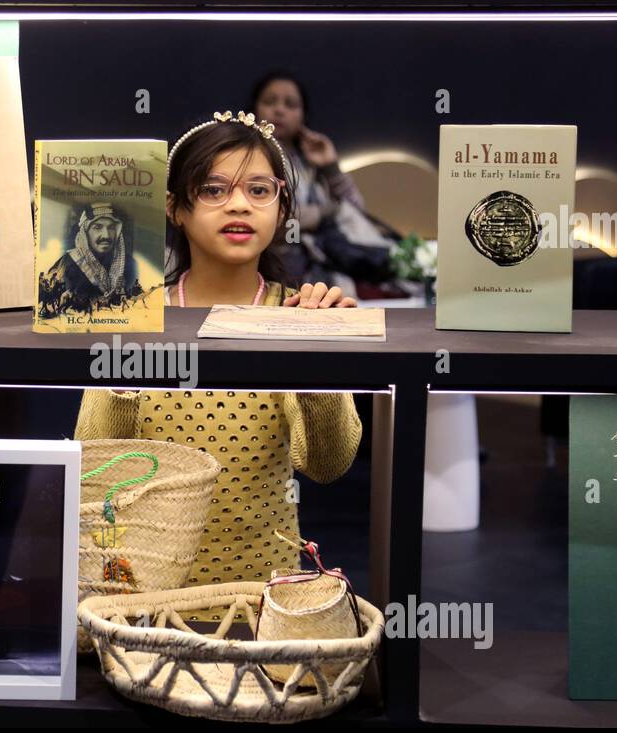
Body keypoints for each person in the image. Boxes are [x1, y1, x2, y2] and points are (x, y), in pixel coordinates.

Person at [74, 110, 362, 619]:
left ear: (282, 207)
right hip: (143, 598)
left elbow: (326, 463)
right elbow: (96, 458)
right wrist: (124, 372)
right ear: (175, 208)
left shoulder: (294, 314)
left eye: (259, 190)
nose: (238, 205)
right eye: (213, 190)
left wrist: (319, 357)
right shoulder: (136, 313)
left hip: (262, 601)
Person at [251, 72, 405, 297]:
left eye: (290, 104)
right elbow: (267, 219)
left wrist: (330, 167)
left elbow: (355, 213)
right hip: (274, 270)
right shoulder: (249, 158)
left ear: (303, 116)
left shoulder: (309, 161)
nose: (279, 110)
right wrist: (322, 214)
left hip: (331, 270)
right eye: (270, 102)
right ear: (255, 109)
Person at [37, 201, 140, 318]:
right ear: (85, 233)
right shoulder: (67, 262)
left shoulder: (129, 264)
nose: (106, 235)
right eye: (97, 227)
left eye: (111, 227)